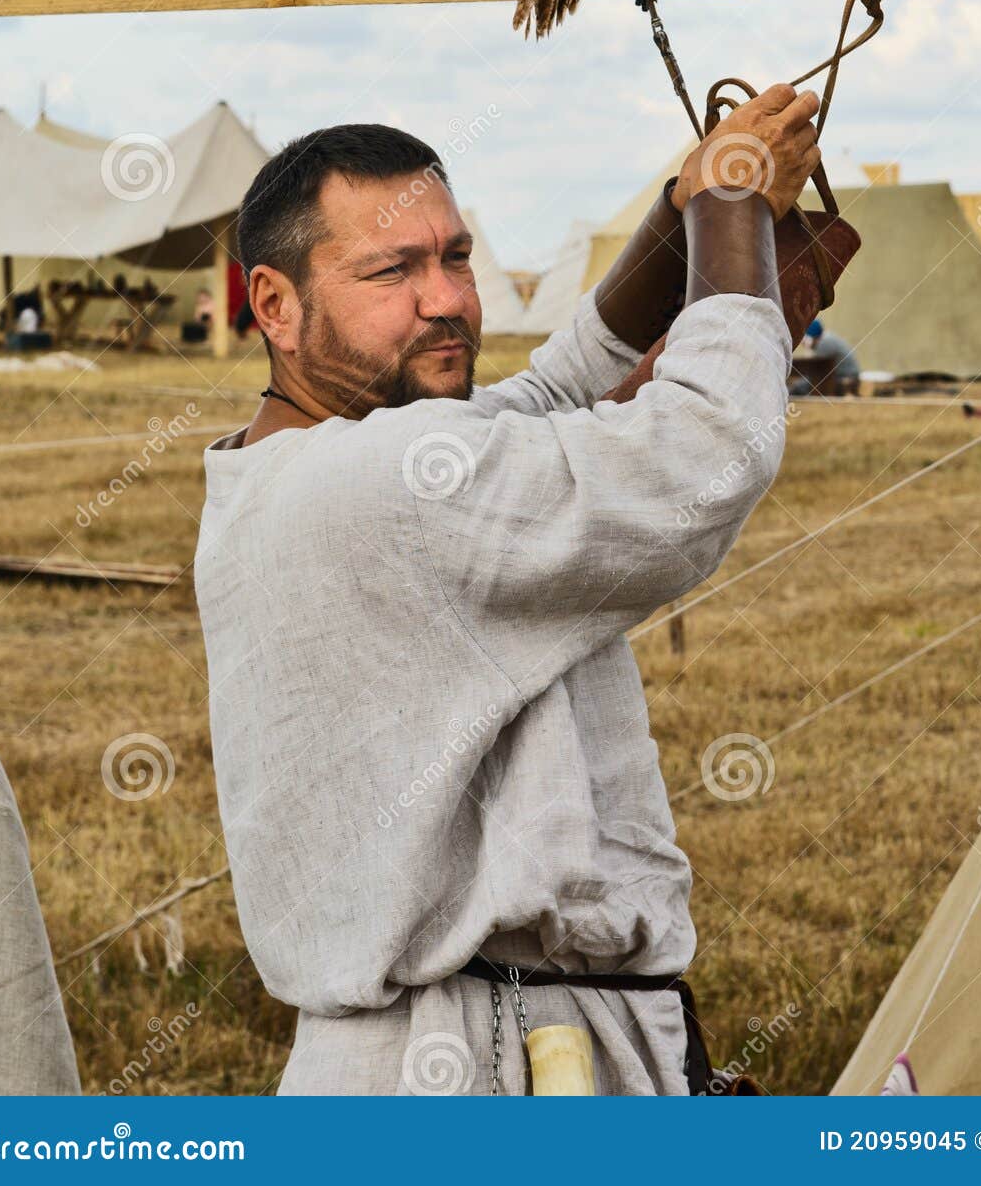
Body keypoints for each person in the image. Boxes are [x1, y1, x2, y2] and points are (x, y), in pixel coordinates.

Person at [192, 85, 855, 1097]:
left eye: (453, 256)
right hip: (485, 1067)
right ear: (272, 305)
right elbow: (701, 456)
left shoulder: (289, 465)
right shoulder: (378, 480)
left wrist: (677, 215)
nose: (446, 297)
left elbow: (543, 396)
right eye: (391, 269)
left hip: (446, 1050)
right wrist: (730, 222)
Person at [790, 317, 860, 397]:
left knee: (803, 386)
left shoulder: (824, 343)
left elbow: (814, 368)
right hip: (844, 375)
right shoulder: (826, 338)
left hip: (846, 376)